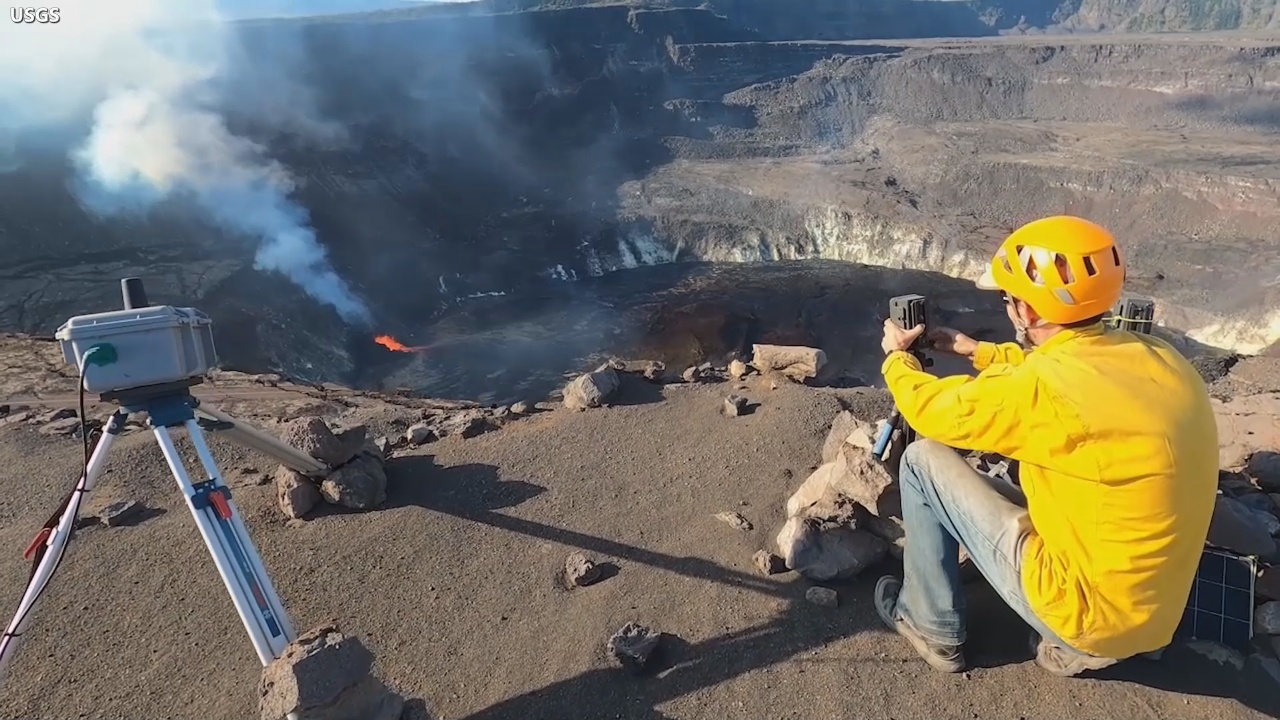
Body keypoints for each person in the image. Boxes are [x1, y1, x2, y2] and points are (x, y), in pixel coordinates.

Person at [874, 215, 1219, 676]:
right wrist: (978, 351)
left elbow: (929, 410)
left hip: (1088, 619)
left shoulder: (1045, 390)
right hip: (1157, 615)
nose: (1008, 307)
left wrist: (897, 360)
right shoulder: (1160, 358)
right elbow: (1061, 368)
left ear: (1030, 312)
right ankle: (1094, 639)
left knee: (920, 461)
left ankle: (930, 625)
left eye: (1009, 299)